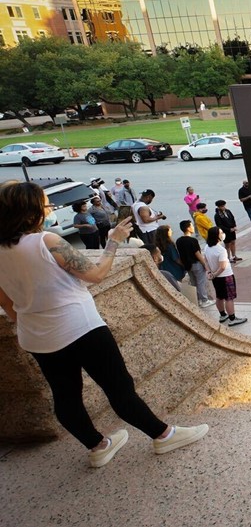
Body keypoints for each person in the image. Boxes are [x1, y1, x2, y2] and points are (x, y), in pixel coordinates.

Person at [0, 182, 209, 468]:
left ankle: (97, 445)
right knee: (119, 388)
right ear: (31, 210)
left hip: (37, 336)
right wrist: (113, 240)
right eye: (45, 205)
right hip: (80, 327)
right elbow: (96, 274)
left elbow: (9, 305)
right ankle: (163, 434)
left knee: (65, 395)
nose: (48, 210)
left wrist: (36, 321)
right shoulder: (45, 241)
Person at [203, 226, 246, 327]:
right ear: (216, 236)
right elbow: (223, 267)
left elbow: (206, 261)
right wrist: (214, 274)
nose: (223, 234)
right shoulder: (221, 250)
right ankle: (232, 318)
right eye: (221, 232)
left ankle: (222, 315)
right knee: (229, 298)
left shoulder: (207, 247)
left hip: (216, 278)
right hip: (225, 276)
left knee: (219, 296)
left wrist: (210, 273)